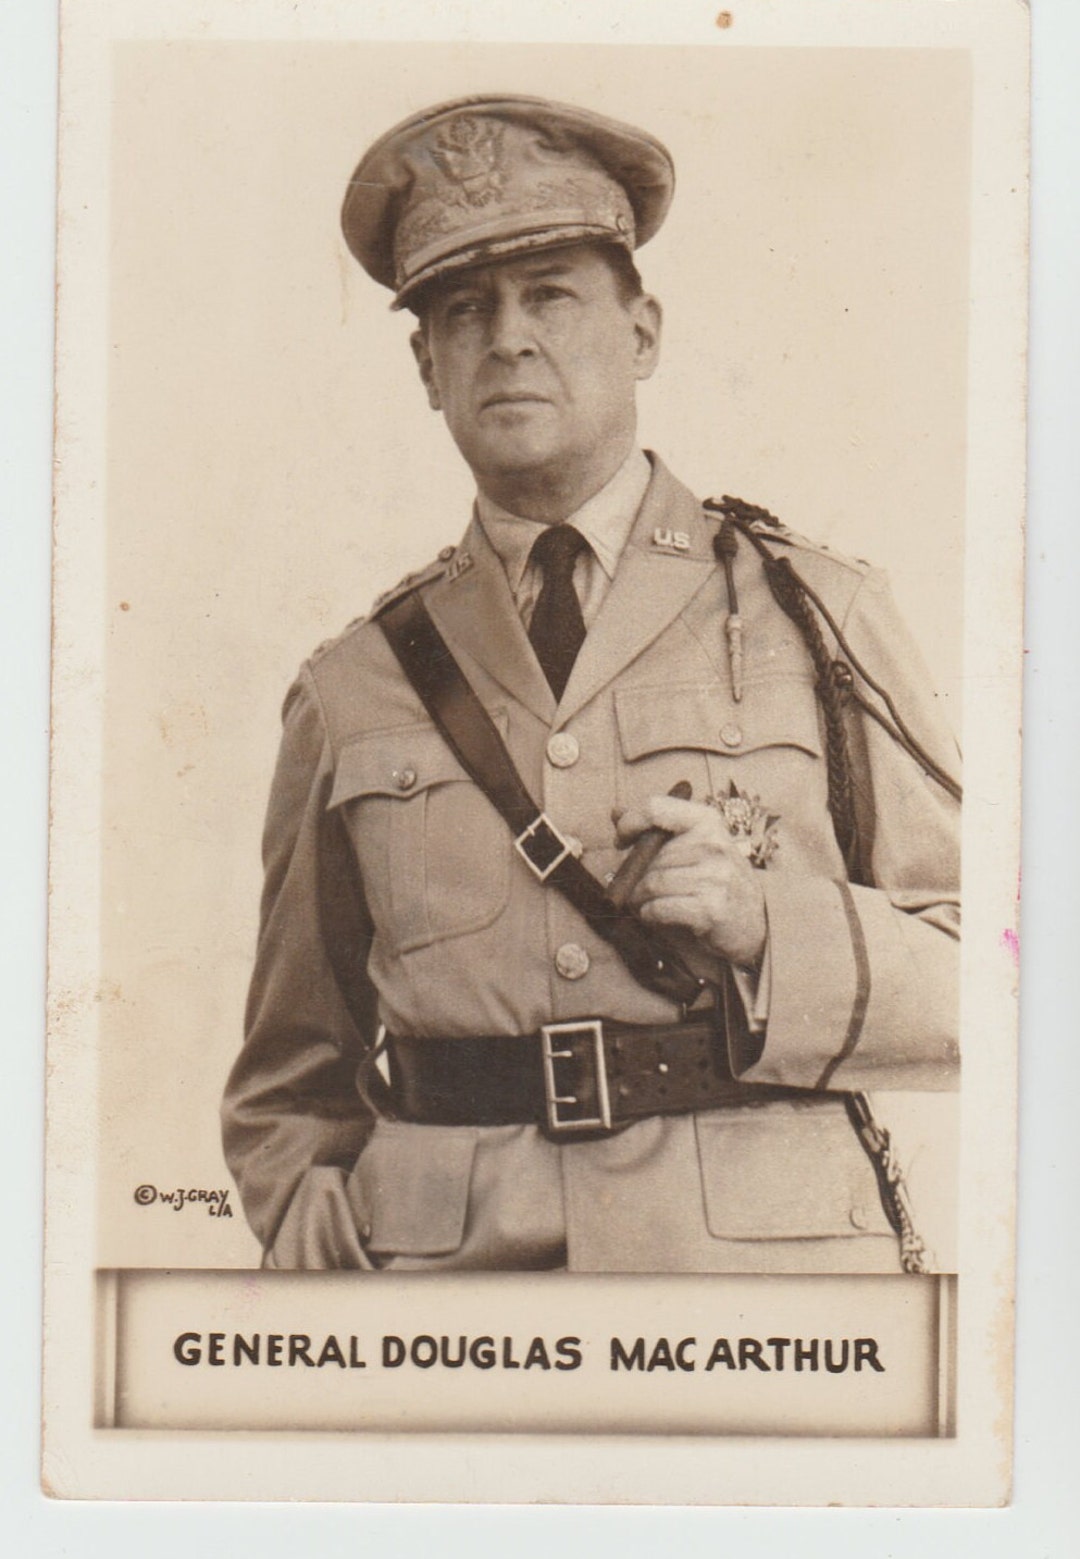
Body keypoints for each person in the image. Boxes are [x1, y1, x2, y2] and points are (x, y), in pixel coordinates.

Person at [221, 95, 960, 1274]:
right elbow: (289, 1073)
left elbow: (1009, 977)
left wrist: (773, 924)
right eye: (464, 311)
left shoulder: (819, 612)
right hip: (448, 1307)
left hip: (764, 1299)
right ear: (428, 366)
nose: (508, 337)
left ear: (644, 332)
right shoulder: (349, 683)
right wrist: (331, 1263)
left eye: (551, 293)